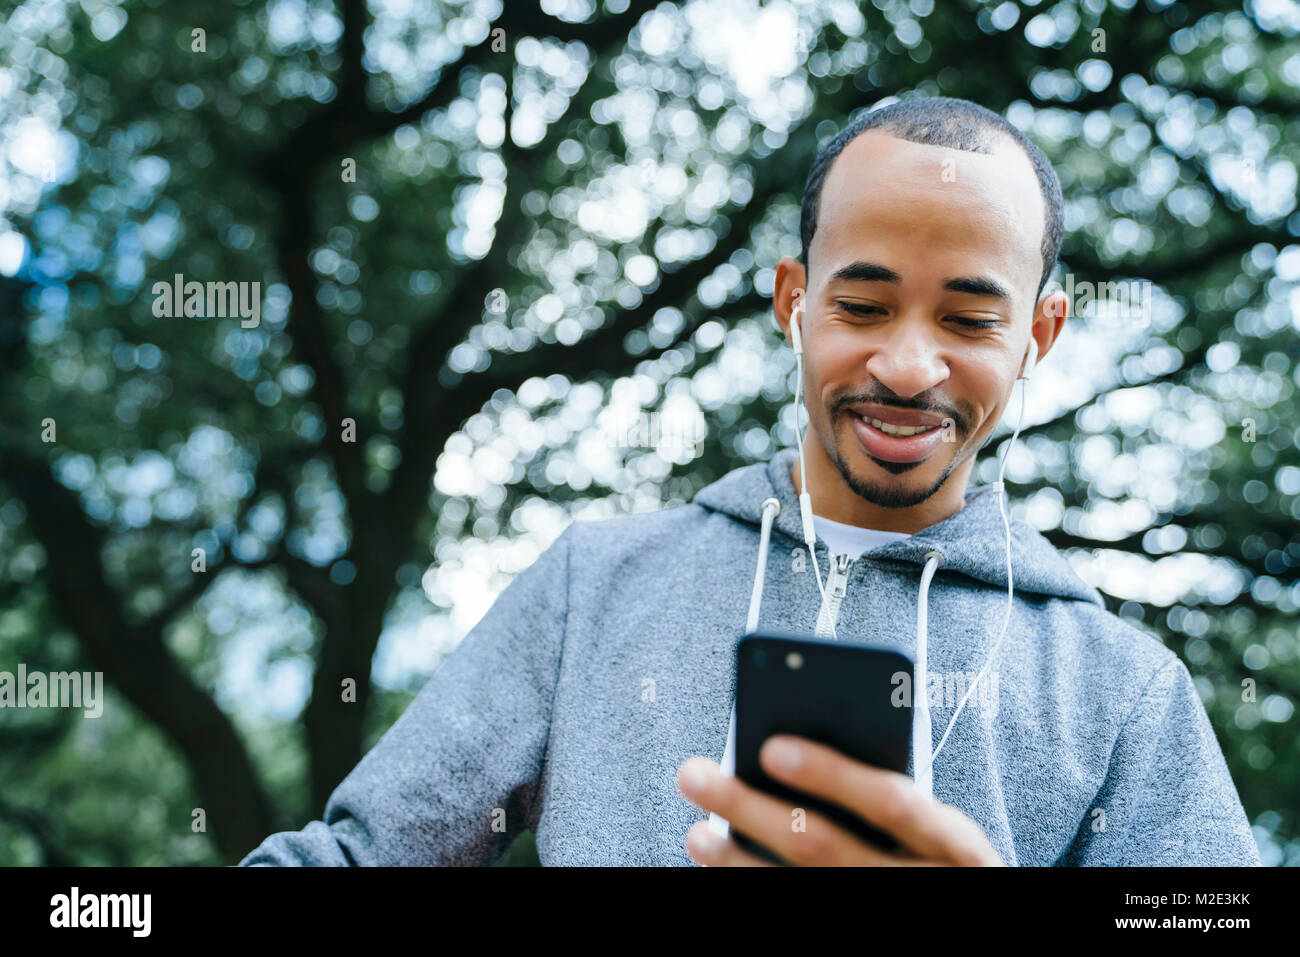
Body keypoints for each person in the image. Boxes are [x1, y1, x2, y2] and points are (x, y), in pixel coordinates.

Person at [239, 96, 1260, 866]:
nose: (907, 367)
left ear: (1039, 334)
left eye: (966, 319)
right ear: (794, 304)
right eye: (862, 306)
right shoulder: (592, 587)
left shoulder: (1125, 690)